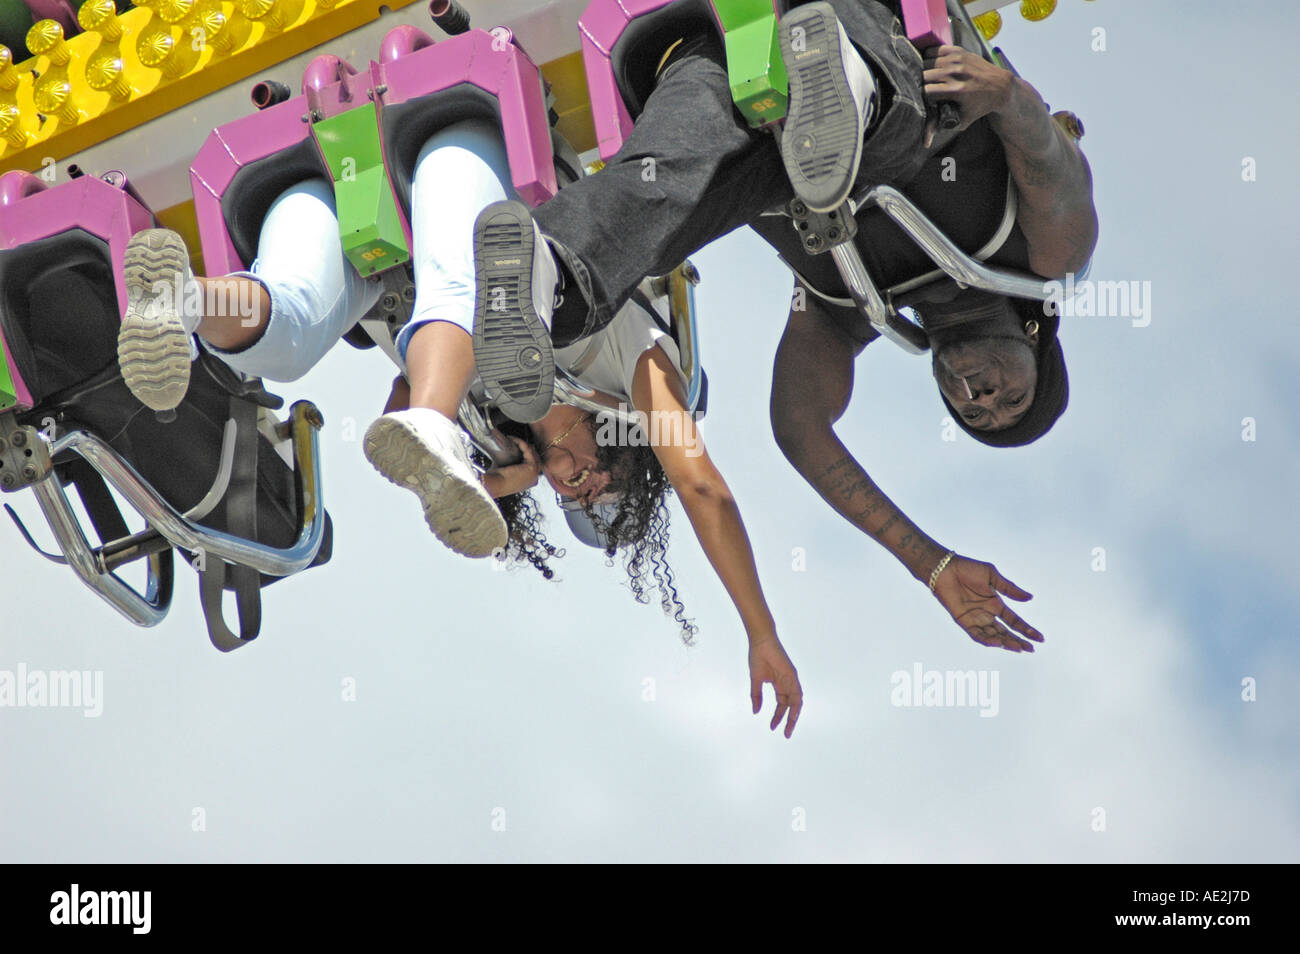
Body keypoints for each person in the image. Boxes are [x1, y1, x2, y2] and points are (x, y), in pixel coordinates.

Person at [115, 117, 803, 736]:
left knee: (291, 334)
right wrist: (761, 632)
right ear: (632, 452)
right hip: (451, 138)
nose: (581, 482)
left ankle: (181, 299)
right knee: (464, 288)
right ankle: (432, 420)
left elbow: (389, 424)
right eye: (607, 481)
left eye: (575, 498)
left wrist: (489, 478)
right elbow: (702, 487)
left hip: (356, 231)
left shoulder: (491, 428)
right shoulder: (629, 367)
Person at [467, 1, 1097, 653]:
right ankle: (847, 87)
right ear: (1035, 339)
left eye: (972, 413)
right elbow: (1057, 167)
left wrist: (929, 564)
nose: (983, 398)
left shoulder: (847, 306)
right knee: (875, 145)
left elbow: (801, 431)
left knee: (671, 208)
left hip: (724, 79)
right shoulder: (1045, 256)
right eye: (1011, 398)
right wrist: (1009, 97)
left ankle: (552, 274)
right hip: (856, 29)